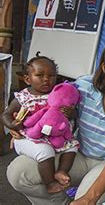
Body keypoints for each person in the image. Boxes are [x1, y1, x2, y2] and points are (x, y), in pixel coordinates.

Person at [7, 38, 105, 204]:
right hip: (78, 155)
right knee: (18, 173)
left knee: (85, 199)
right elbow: (49, 110)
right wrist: (22, 129)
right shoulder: (83, 86)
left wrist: (88, 198)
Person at [2, 54, 78, 194]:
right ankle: (49, 182)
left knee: (73, 146)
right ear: (27, 79)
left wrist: (70, 113)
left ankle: (61, 171)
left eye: (51, 75)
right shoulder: (24, 97)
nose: (46, 79)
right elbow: (6, 114)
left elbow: (72, 117)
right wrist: (13, 124)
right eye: (40, 75)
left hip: (55, 136)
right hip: (28, 137)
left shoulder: (58, 95)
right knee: (45, 151)